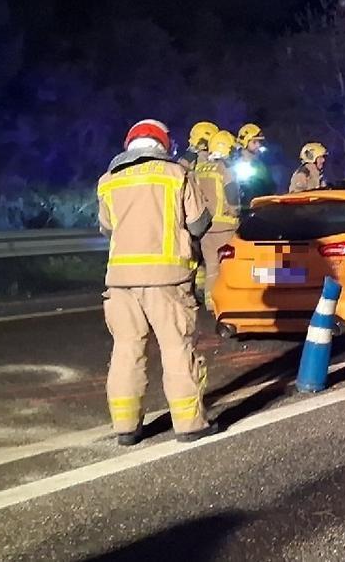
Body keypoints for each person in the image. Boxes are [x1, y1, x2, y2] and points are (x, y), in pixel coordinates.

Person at [96, 119, 216, 445]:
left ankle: (126, 427)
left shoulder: (108, 180)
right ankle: (189, 424)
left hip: (120, 281)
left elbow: (107, 228)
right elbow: (199, 224)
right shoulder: (177, 174)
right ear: (165, 144)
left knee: (126, 350)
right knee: (177, 348)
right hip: (167, 279)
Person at [193, 130, 241, 311]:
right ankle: (228, 302)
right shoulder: (225, 168)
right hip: (225, 227)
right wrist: (236, 211)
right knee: (228, 267)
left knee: (211, 266)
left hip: (206, 228)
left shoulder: (199, 169)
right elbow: (232, 193)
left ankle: (211, 302)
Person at [235, 123, 275, 207]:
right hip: (241, 209)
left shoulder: (261, 165)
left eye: (259, 142)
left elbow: (270, 188)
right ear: (245, 142)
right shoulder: (233, 165)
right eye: (254, 142)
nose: (258, 145)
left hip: (259, 209)